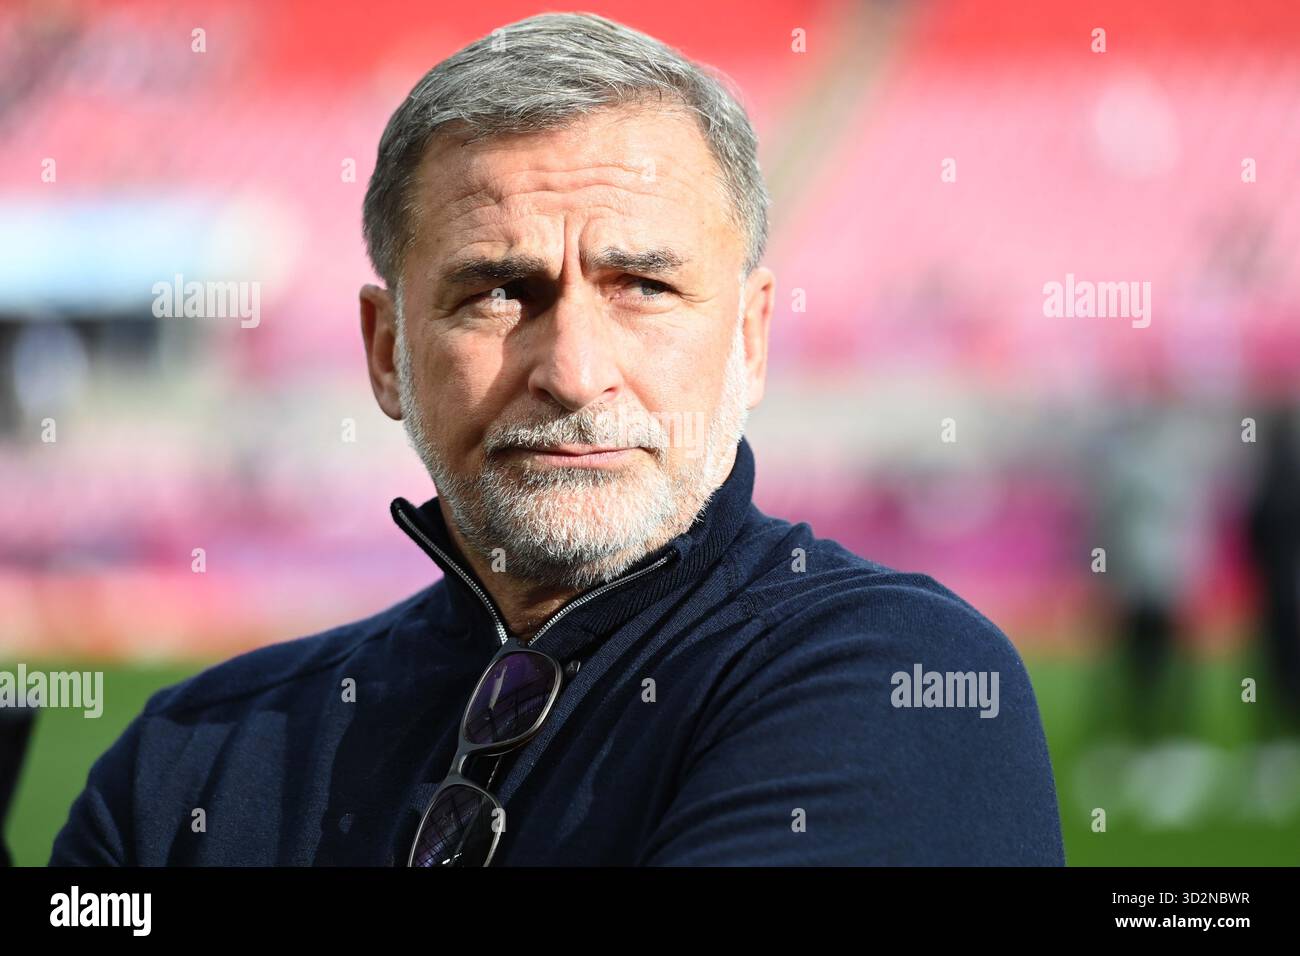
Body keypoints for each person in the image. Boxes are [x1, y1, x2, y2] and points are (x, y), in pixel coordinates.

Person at [50, 12, 1063, 866]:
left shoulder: (894, 677)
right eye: (497, 292)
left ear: (748, 339)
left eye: (643, 287)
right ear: (386, 349)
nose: (573, 368)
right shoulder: (185, 762)